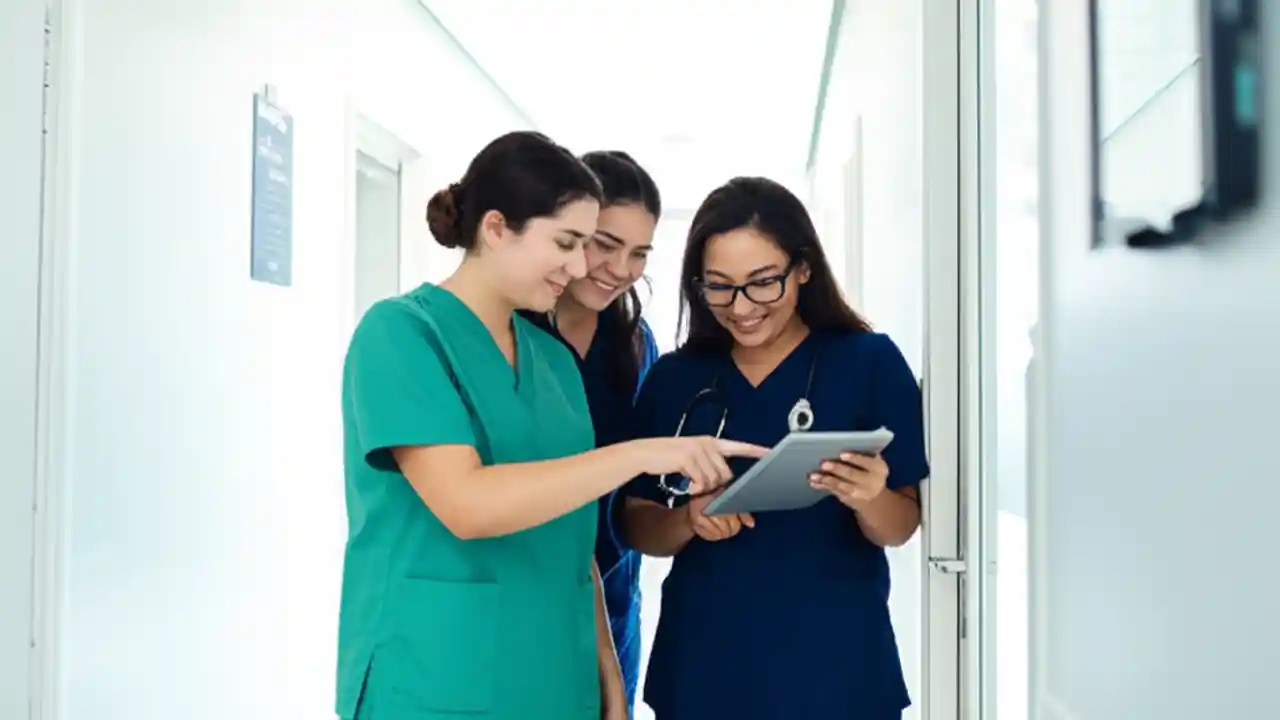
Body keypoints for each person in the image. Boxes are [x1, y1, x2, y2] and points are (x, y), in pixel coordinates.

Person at [335, 131, 766, 720]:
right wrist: (640, 454)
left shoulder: (554, 361)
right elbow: (468, 504)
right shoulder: (400, 336)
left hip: (558, 676)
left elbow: (574, 532)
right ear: (494, 228)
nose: (580, 265)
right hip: (437, 668)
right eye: (568, 242)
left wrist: (608, 670)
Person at [621, 176, 929, 720]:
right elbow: (638, 525)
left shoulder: (868, 363)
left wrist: (867, 495)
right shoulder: (675, 379)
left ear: (804, 269)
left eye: (763, 283)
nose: (741, 307)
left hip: (836, 667)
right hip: (705, 667)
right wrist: (690, 520)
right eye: (718, 286)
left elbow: (899, 526)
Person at [521, 150, 662, 715]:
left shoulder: (634, 342)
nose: (620, 268)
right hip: (525, 591)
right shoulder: (510, 330)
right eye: (605, 243)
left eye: (639, 253)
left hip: (616, 589)